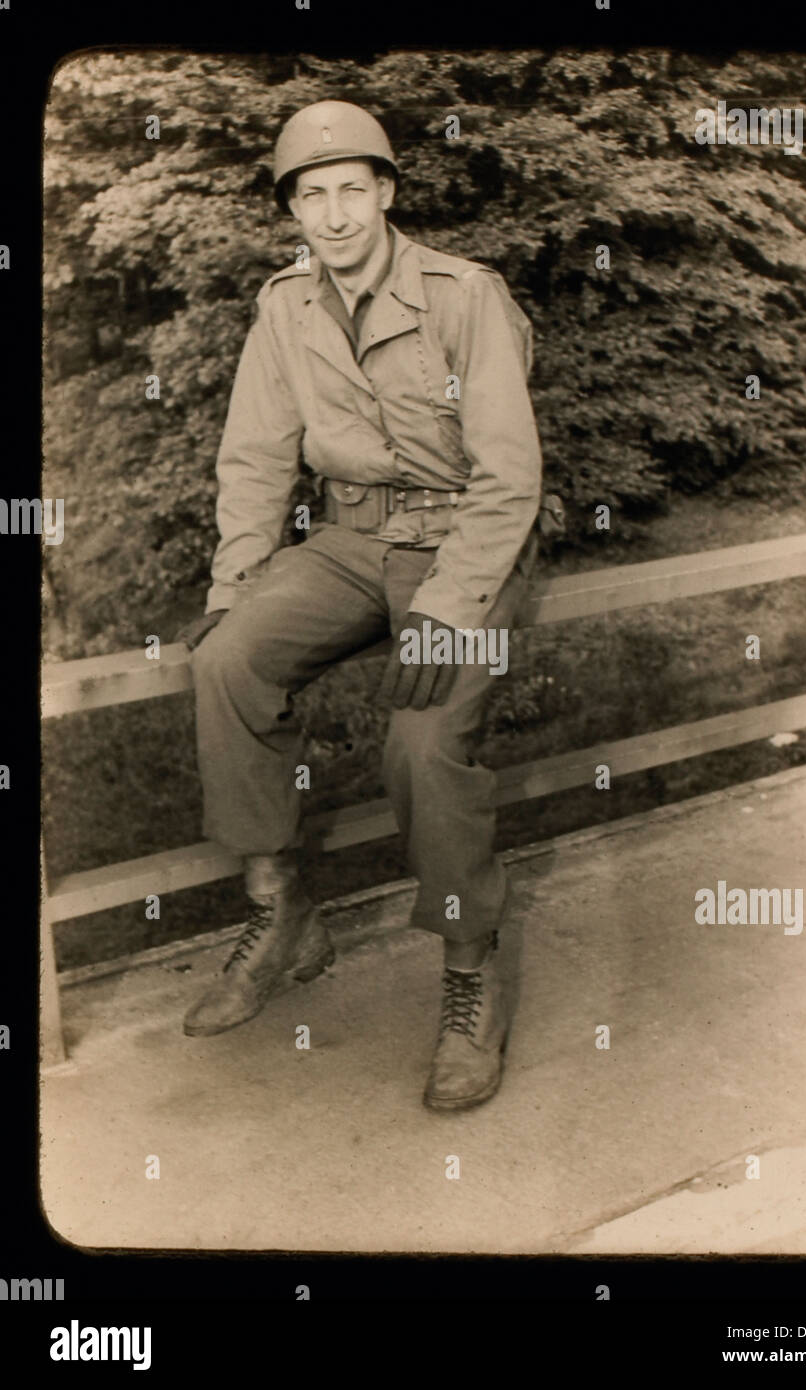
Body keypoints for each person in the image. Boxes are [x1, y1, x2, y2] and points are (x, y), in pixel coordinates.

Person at [178, 100, 545, 1111]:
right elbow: (254, 458)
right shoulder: (284, 306)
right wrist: (233, 583)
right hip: (347, 536)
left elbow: (511, 476)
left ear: (385, 193)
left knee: (423, 746)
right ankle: (283, 903)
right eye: (311, 195)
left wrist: (453, 601)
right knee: (225, 660)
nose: (334, 215)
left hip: (466, 536)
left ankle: (468, 975)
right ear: (293, 210)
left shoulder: (463, 294)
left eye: (352, 189)